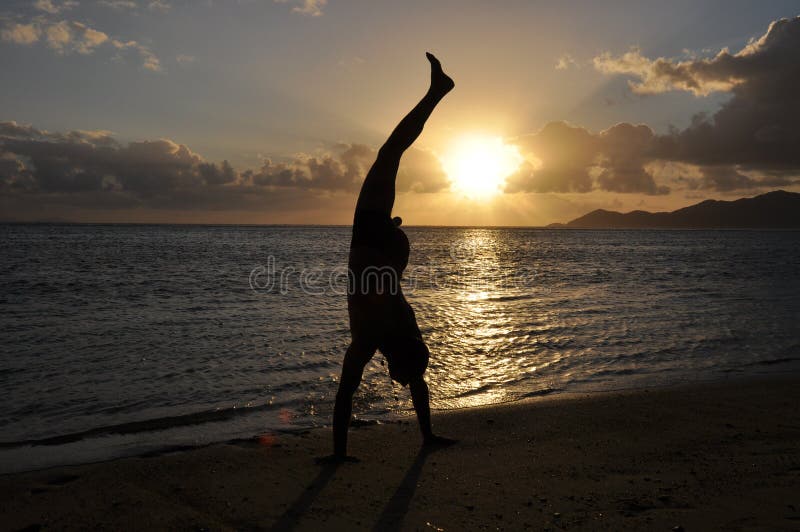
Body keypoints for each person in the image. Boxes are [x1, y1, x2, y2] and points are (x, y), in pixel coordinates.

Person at [325, 52, 456, 462]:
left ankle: (437, 91)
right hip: (374, 239)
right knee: (390, 152)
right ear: (393, 357)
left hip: (390, 247)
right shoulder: (375, 336)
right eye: (396, 373)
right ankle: (437, 92)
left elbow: (411, 378)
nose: (397, 380)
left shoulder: (402, 326)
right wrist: (338, 453)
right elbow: (346, 393)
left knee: (390, 155)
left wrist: (340, 456)